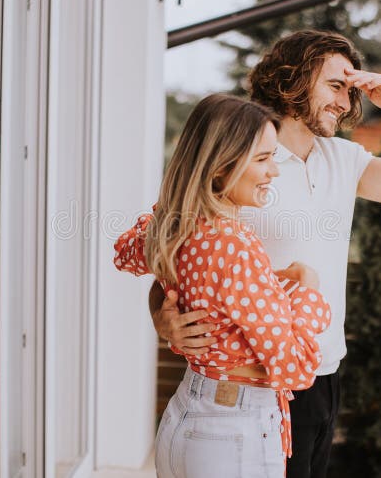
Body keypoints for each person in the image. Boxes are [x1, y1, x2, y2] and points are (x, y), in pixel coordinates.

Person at [151, 30, 381, 478]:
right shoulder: (243, 162)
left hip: (325, 372)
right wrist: (161, 314)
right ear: (292, 77)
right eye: (335, 86)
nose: (346, 103)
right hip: (258, 385)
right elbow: (175, 255)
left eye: (351, 92)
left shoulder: (344, 160)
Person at [114, 93, 332, 477]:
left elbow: (126, 253)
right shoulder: (235, 245)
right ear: (219, 167)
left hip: (187, 419)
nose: (274, 171)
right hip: (233, 432)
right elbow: (295, 368)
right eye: (263, 159)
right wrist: (309, 292)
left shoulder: (175, 226)